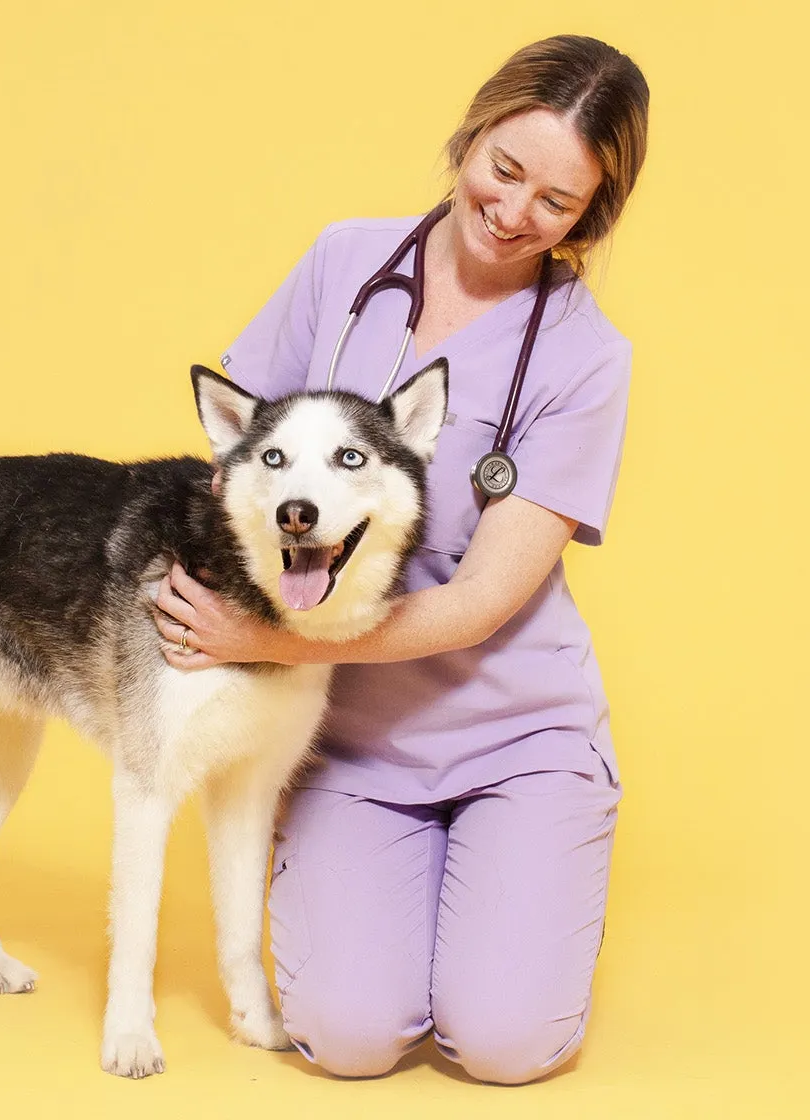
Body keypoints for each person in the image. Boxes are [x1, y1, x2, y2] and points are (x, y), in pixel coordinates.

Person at [149, 35, 650, 1084]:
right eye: (503, 170)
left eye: (555, 201)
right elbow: (234, 457)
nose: (513, 212)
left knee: (505, 1044)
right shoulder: (345, 263)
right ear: (469, 135)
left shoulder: (584, 357)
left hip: (513, 736)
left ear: (587, 217)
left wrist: (257, 632)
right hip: (344, 739)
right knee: (347, 1038)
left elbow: (479, 602)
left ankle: (535, 868)